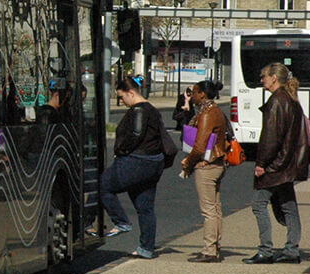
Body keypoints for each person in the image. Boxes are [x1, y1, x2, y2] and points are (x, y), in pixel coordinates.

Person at [244, 62, 310, 264]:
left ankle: (265, 249)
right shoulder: (291, 99)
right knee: (289, 205)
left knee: (259, 204)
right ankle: (291, 249)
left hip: (275, 165)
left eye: (264, 76)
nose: (262, 79)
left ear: (274, 78)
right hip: (288, 163)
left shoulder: (277, 101)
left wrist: (262, 163)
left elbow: (271, 137)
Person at [93, 76, 165, 258]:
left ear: (131, 93)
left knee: (103, 186)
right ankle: (146, 248)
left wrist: (122, 150)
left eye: (122, 97)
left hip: (136, 161)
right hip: (154, 163)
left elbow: (136, 133)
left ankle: (121, 221)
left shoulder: (138, 110)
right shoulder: (153, 110)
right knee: (145, 207)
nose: (122, 102)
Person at [180, 80, 229, 262]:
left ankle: (209, 250)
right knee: (215, 209)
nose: (191, 95)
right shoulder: (215, 111)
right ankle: (215, 247)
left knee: (208, 210)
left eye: (194, 92)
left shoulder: (207, 114)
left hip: (207, 165)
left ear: (202, 94)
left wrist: (189, 163)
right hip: (218, 163)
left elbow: (200, 146)